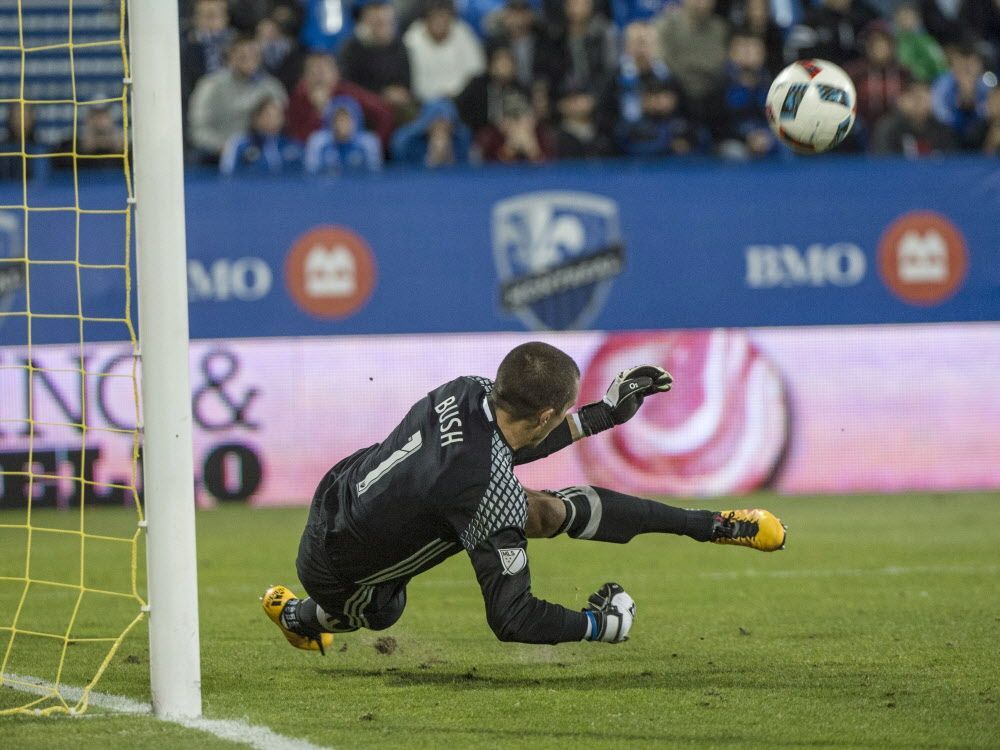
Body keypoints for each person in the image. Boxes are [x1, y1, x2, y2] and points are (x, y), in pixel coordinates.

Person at [262, 342, 786, 651]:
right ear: (543, 416)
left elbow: (499, 449)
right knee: (377, 614)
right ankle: (299, 617)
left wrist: (600, 415)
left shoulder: (466, 388)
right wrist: (601, 627)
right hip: (337, 564)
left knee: (542, 509)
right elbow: (511, 619)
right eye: (564, 411)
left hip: (344, 487)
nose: (563, 416)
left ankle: (711, 525)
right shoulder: (479, 487)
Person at [187, 34, 288, 162]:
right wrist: (223, 146)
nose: (249, 60)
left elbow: (280, 122)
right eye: (242, 56)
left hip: (261, 153)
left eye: (254, 55)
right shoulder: (211, 85)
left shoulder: (271, 86)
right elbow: (198, 130)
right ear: (231, 56)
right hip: (215, 154)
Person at [286, 52, 395, 147]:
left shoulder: (347, 92)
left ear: (336, 74)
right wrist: (319, 111)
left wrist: (376, 146)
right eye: (313, 72)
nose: (319, 78)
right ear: (304, 77)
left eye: (323, 71)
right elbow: (297, 139)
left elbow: (384, 113)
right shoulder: (298, 97)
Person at [338, 0, 415, 119]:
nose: (382, 22)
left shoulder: (399, 45)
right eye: (378, 22)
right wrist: (382, 94)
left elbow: (406, 80)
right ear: (366, 20)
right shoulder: (352, 48)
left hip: (397, 104)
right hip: (364, 106)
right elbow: (349, 85)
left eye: (386, 22)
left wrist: (400, 93)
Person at [404, 0, 487, 102]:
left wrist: (456, 94)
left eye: (443, 16)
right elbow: (413, 81)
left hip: (463, 99)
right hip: (425, 102)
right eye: (434, 17)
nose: (439, 22)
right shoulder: (412, 40)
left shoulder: (463, 33)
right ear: (426, 19)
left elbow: (476, 71)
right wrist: (437, 97)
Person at [219, 97, 303, 175]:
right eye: (269, 115)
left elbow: (305, 176)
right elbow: (228, 176)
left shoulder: (293, 146)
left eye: (278, 116)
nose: (274, 120)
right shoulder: (239, 145)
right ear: (257, 118)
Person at [872, 78, 956, 156]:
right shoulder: (888, 129)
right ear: (901, 100)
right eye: (914, 96)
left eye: (924, 96)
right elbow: (883, 164)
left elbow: (951, 162)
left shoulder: (942, 130)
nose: (919, 102)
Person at [303, 96, 384, 173]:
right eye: (339, 120)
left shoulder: (368, 143)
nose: (343, 125)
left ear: (356, 121)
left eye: (347, 120)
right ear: (331, 122)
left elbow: (374, 174)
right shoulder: (318, 142)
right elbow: (311, 172)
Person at [390, 98, 473, 165]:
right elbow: (402, 162)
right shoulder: (408, 140)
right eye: (437, 121)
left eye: (446, 122)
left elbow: (463, 166)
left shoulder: (461, 139)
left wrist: (447, 153)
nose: (441, 126)